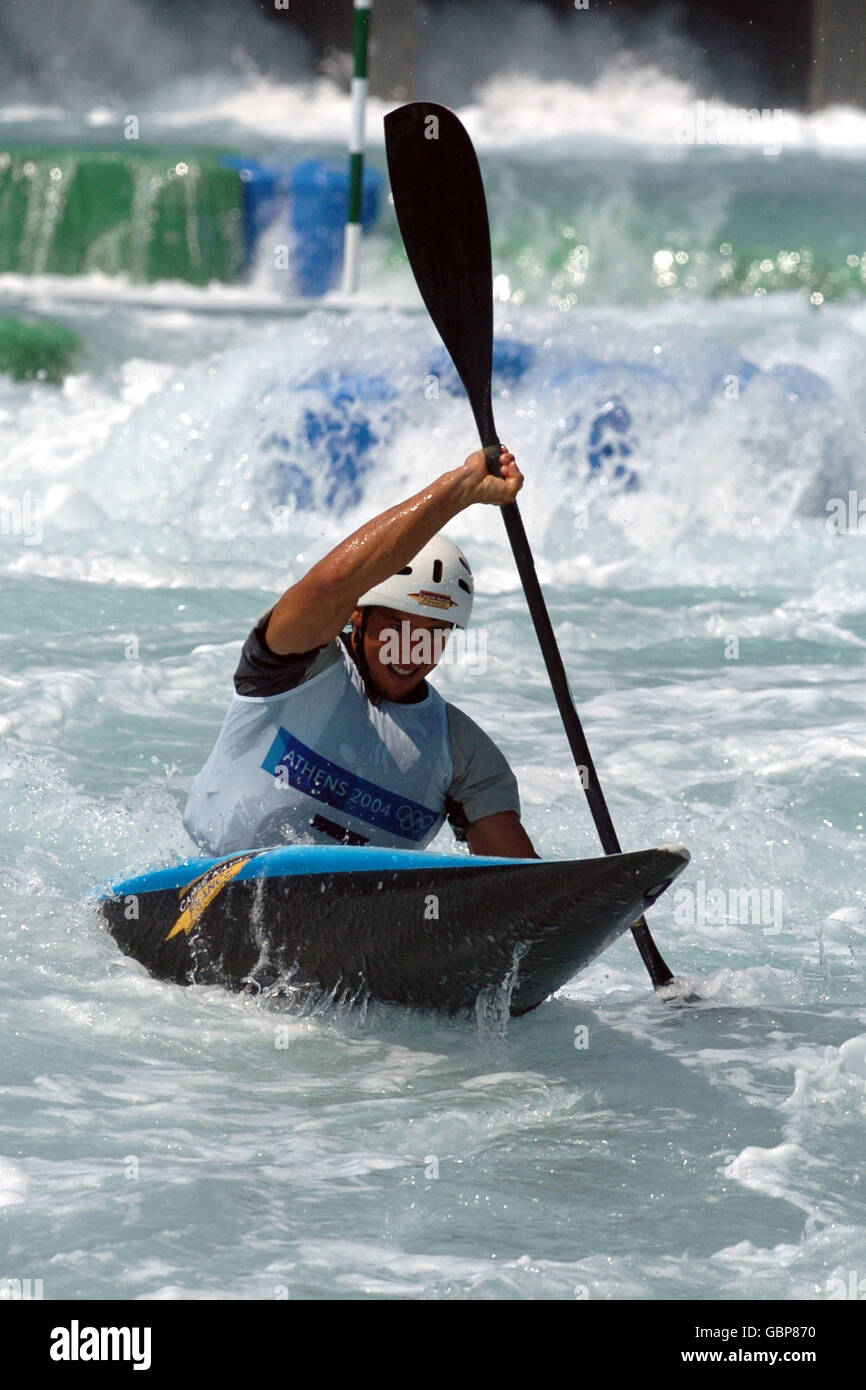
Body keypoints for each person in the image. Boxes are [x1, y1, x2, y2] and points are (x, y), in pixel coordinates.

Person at [183, 447, 538, 860]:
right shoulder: (295, 665)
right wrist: (460, 489)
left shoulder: (463, 754)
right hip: (206, 890)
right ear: (357, 614)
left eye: (433, 633)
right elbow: (331, 583)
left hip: (354, 916)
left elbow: (517, 888)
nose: (409, 649)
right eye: (396, 625)